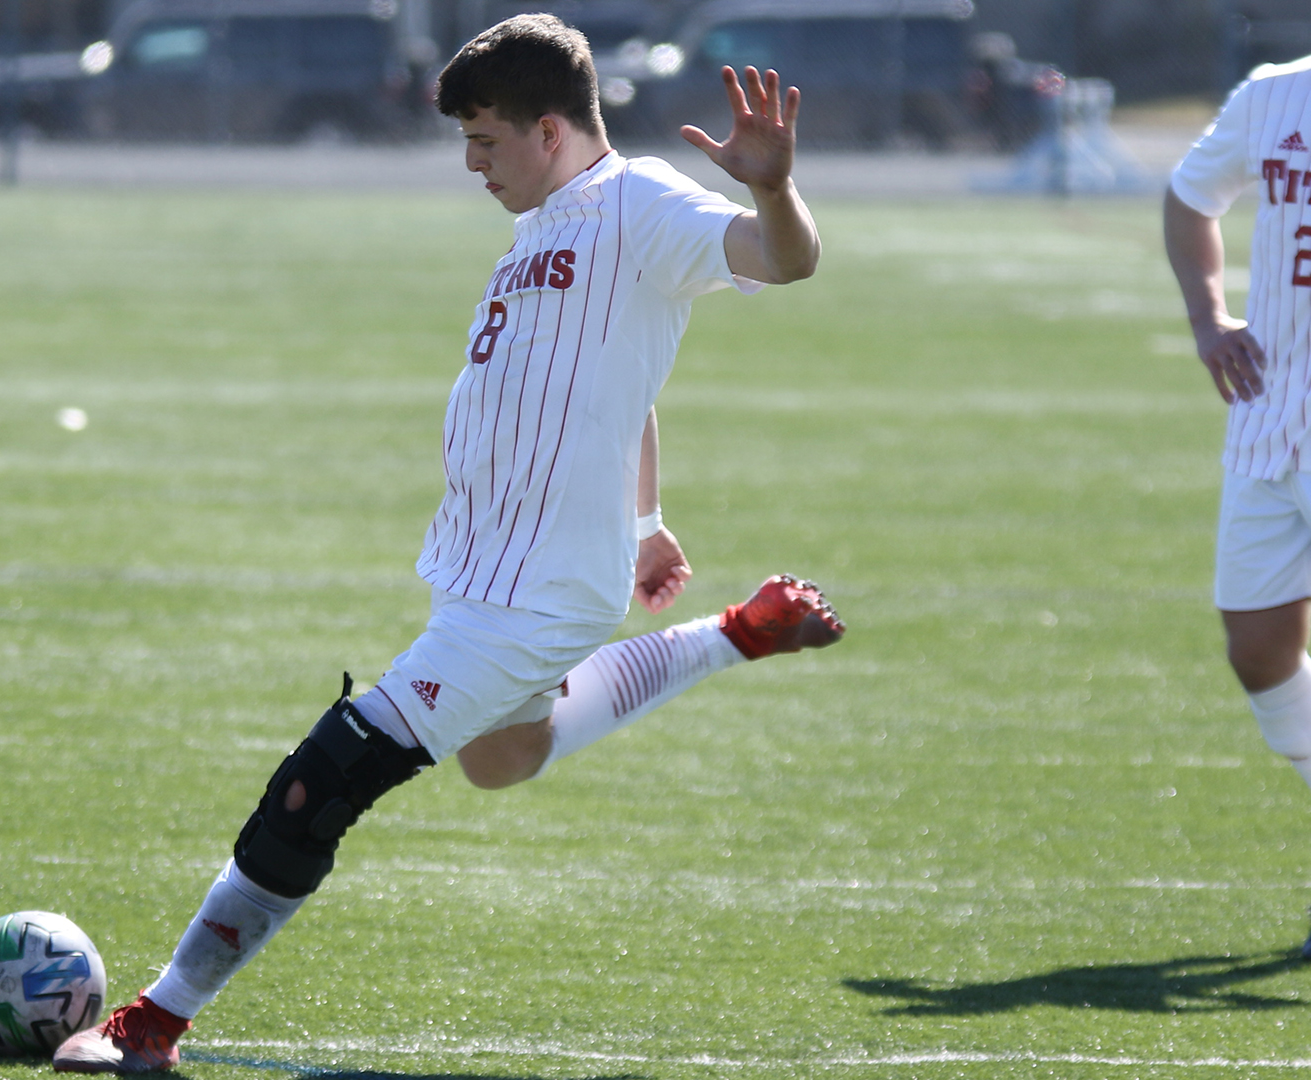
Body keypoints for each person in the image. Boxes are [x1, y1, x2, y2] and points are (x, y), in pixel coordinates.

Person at [54, 16, 843, 1071]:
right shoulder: (541, 231)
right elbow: (627, 396)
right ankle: (739, 635)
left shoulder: (637, 202)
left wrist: (774, 189)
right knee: (503, 760)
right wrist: (648, 527)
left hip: (534, 598)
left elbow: (785, 261)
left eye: (485, 142)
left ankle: (152, 1025)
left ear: (551, 130)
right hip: (485, 583)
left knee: (321, 782)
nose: (473, 166)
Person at [1163, 54, 1311, 956]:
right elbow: (1190, 198)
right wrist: (1206, 315)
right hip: (1268, 418)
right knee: (1256, 647)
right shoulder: (1272, 92)